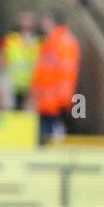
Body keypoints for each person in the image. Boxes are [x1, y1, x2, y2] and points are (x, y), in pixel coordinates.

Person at [32, 11, 81, 144]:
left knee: (54, 134)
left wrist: (63, 98)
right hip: (46, 100)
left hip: (55, 100)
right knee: (46, 134)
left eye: (45, 21)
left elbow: (66, 71)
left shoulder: (63, 42)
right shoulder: (50, 41)